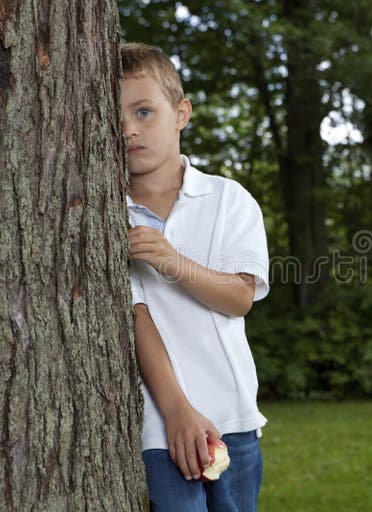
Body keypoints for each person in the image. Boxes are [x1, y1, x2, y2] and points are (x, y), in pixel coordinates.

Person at [121, 42, 270, 511]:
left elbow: (240, 296)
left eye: (144, 112)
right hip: (161, 426)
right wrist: (177, 411)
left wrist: (172, 261)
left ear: (181, 112)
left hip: (233, 416)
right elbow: (137, 316)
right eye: (115, 116)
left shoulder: (228, 199)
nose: (128, 129)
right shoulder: (108, 216)